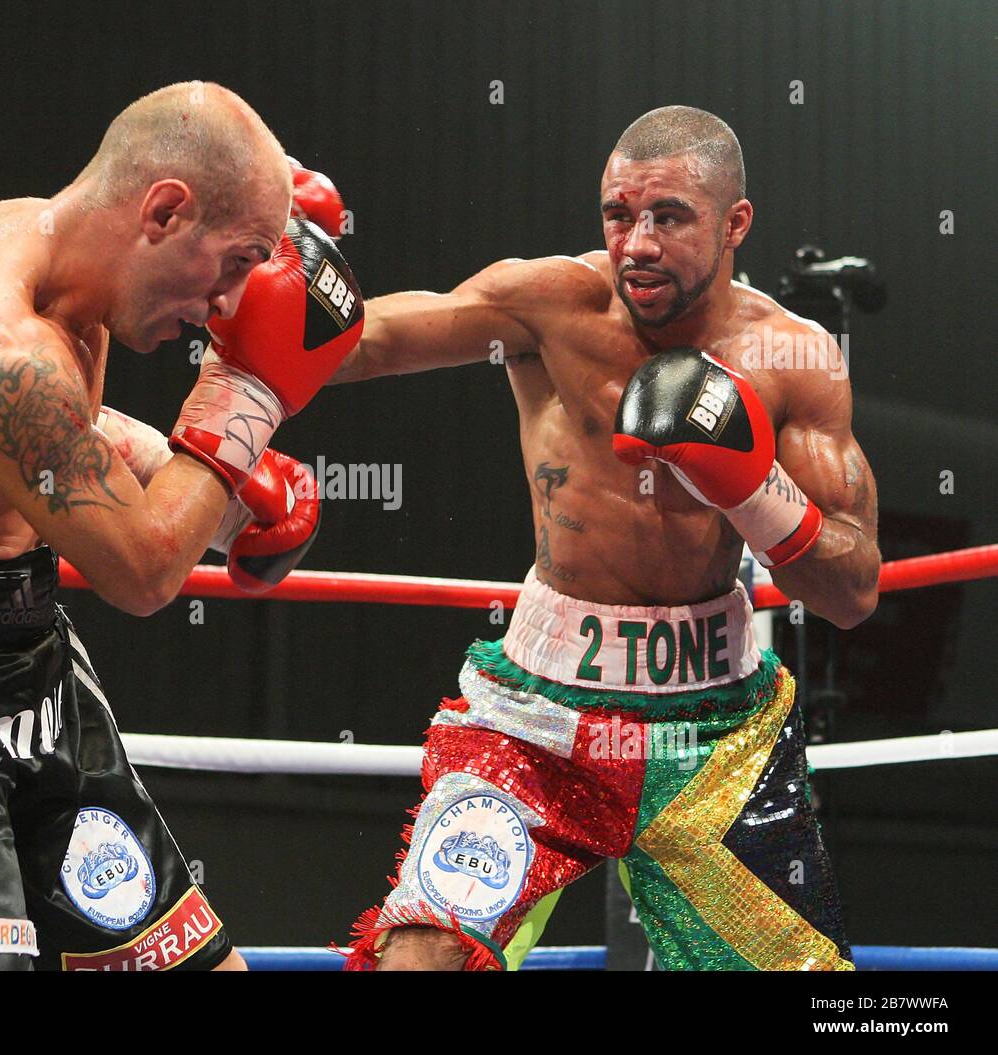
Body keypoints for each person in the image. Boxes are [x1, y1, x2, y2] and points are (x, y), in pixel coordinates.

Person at [0, 81, 363, 970]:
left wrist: (219, 487)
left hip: (35, 669)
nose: (229, 307)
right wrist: (247, 399)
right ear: (165, 210)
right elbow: (142, 574)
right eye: (237, 263)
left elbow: (54, 434)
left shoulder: (58, 260)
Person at [335, 105, 879, 971]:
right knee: (420, 956)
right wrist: (264, 288)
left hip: (717, 733)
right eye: (619, 215)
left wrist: (753, 486)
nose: (637, 244)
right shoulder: (553, 306)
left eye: (669, 217)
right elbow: (375, 338)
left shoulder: (792, 359)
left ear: (736, 222)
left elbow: (854, 591)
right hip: (537, 719)